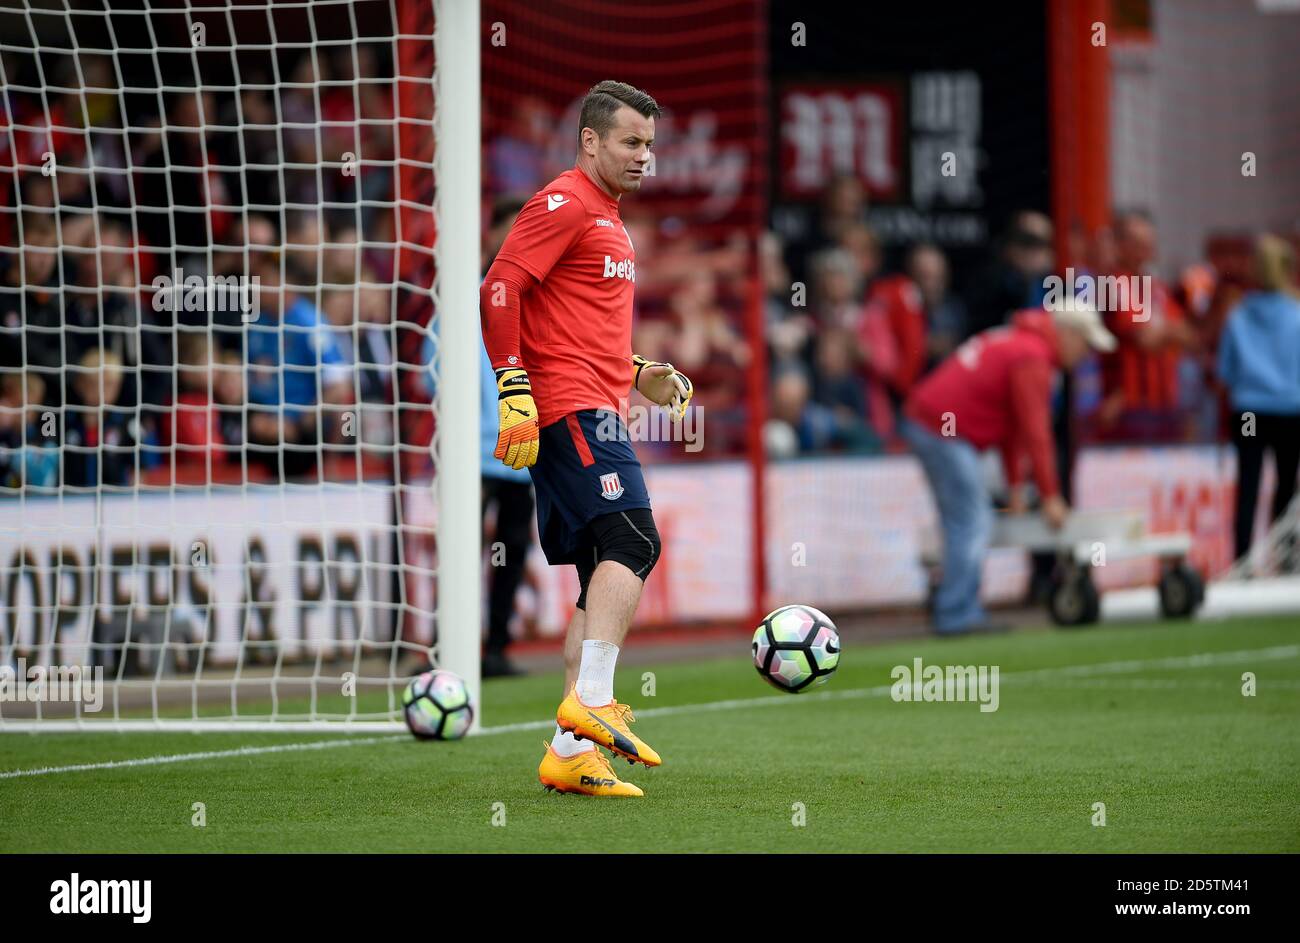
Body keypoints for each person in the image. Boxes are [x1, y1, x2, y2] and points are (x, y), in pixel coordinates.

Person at [480, 81, 691, 797]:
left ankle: (570, 750)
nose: (644, 157)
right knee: (635, 541)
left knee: (599, 569)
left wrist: (638, 373)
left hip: (595, 401)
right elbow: (500, 288)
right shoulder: (566, 201)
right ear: (591, 141)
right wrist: (513, 388)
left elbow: (570, 322)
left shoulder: (607, 216)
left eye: (650, 146)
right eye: (632, 142)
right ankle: (593, 700)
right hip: (571, 412)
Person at [900, 306, 1117, 636]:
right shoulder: (1033, 356)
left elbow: (1012, 427)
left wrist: (1016, 486)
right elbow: (1036, 431)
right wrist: (1050, 496)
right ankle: (956, 613)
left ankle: (956, 606)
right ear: (1069, 333)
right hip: (941, 429)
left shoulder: (1021, 343)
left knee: (964, 519)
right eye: (1085, 344)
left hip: (934, 424)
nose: (1085, 355)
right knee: (972, 520)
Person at [1217, 234, 1300, 565]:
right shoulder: (1297, 316)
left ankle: (1243, 560)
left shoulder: (1238, 316)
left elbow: (1226, 371)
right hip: (1291, 412)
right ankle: (1286, 558)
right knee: (1286, 485)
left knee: (1248, 484)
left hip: (1250, 411)